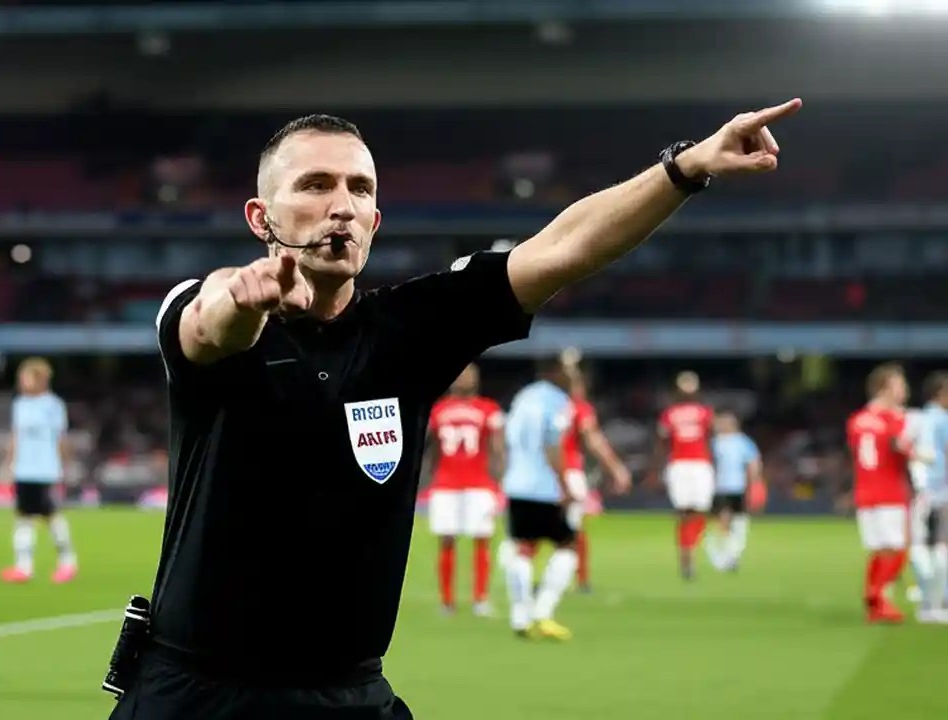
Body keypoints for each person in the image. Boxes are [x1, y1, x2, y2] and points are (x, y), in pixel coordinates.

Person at [111, 100, 802, 718]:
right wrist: (242, 297)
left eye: (360, 189)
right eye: (314, 185)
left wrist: (685, 168)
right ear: (261, 217)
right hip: (198, 696)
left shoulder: (410, 330)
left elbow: (562, 247)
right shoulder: (211, 308)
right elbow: (206, 325)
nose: (341, 205)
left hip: (348, 694)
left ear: (376, 222)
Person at [498, 358, 580, 640]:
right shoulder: (557, 401)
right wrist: (564, 484)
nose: (573, 376)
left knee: (523, 547)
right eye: (569, 370)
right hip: (543, 485)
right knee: (568, 545)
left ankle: (519, 616)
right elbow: (552, 444)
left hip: (516, 483)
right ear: (555, 372)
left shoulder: (523, 397)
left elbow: (509, 437)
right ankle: (543, 612)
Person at [425, 362, 505, 617]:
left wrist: (499, 481)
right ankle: (447, 600)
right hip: (446, 483)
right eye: (460, 373)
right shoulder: (437, 409)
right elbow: (432, 449)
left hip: (479, 483)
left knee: (481, 538)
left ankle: (480, 598)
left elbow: (497, 449)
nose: (464, 379)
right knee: (446, 540)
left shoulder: (488, 408)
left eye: (469, 374)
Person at [0, 357, 78, 584]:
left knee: (52, 517)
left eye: (26, 378)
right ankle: (24, 568)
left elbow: (61, 439)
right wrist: (8, 465)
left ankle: (68, 563)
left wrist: (64, 466)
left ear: (40, 379)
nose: (22, 382)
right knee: (24, 518)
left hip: (46, 470)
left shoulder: (53, 405)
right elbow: (15, 437)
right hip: (24, 470)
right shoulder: (20, 404)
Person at [846, 363, 914, 624]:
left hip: (865, 491)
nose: (904, 390)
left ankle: (875, 601)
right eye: (900, 384)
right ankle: (876, 596)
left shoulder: (857, 419)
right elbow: (902, 449)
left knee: (879, 548)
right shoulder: (895, 419)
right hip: (890, 490)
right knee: (896, 548)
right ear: (885, 388)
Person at [563, 368, 631, 594]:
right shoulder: (579, 408)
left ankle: (531, 574)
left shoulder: (541, 404)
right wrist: (617, 468)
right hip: (569, 471)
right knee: (574, 528)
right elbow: (594, 441)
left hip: (539, 475)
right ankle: (580, 579)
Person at [652, 370, 715, 581]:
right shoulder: (669, 413)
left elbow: (711, 438)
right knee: (684, 511)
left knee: (700, 510)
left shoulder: (705, 412)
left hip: (700, 463)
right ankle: (687, 556)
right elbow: (662, 442)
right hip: (679, 464)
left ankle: (691, 547)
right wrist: (657, 469)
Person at [907, 372, 948, 622]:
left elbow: (905, 448)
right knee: (941, 544)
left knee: (922, 544)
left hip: (920, 490)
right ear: (940, 393)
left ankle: (926, 594)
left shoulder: (917, 418)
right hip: (942, 489)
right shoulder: (943, 420)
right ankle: (939, 598)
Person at [706, 409, 762, 573]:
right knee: (721, 520)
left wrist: (754, 481)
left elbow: (753, 461)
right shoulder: (714, 442)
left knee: (737, 519)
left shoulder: (742, 442)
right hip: (717, 487)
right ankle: (721, 552)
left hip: (736, 486)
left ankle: (732, 553)